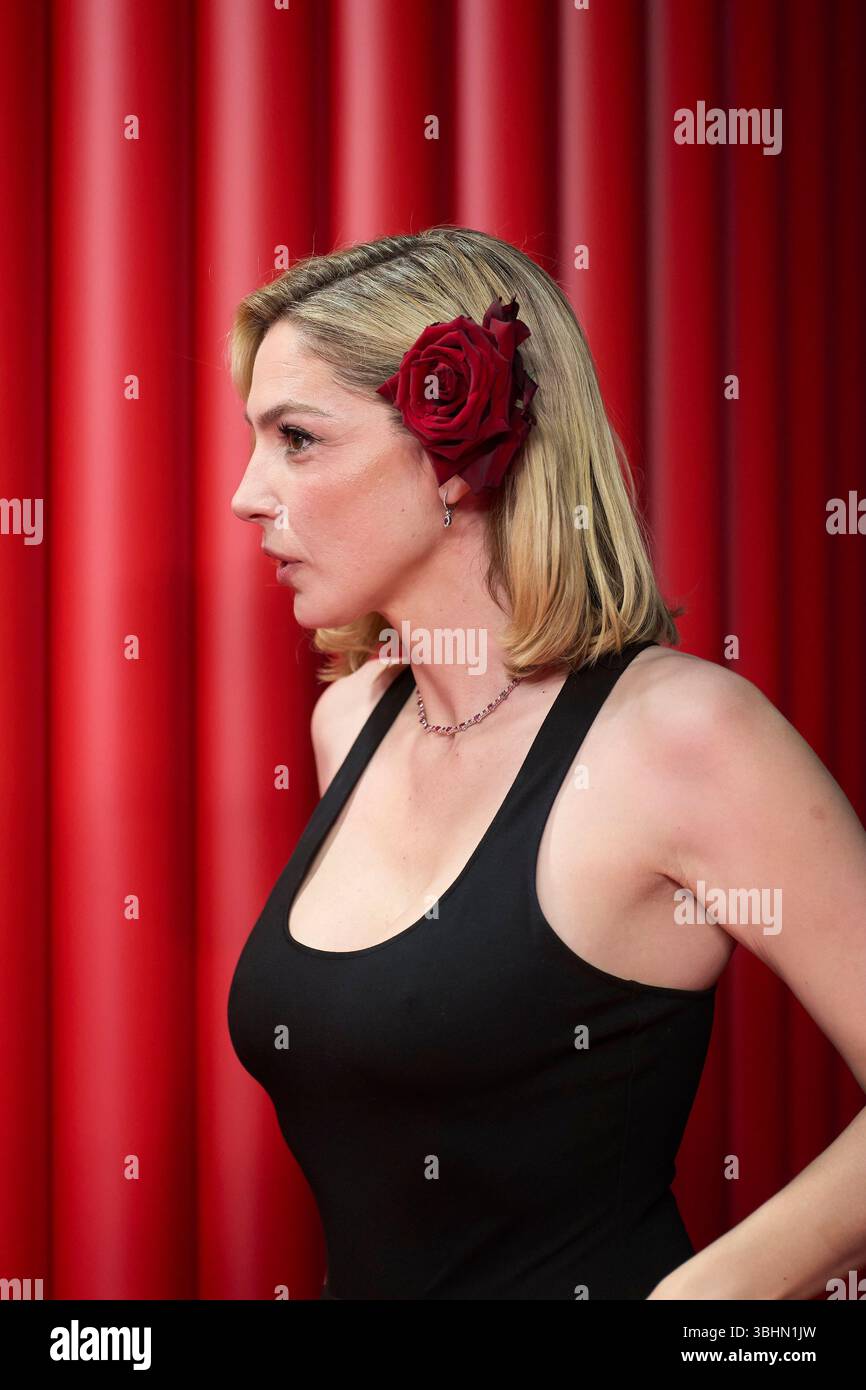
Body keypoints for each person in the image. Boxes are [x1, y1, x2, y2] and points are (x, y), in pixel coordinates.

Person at [226, 225, 866, 1300]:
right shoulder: (350, 721)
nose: (248, 494)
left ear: (456, 451)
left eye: (295, 438)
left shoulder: (683, 737)